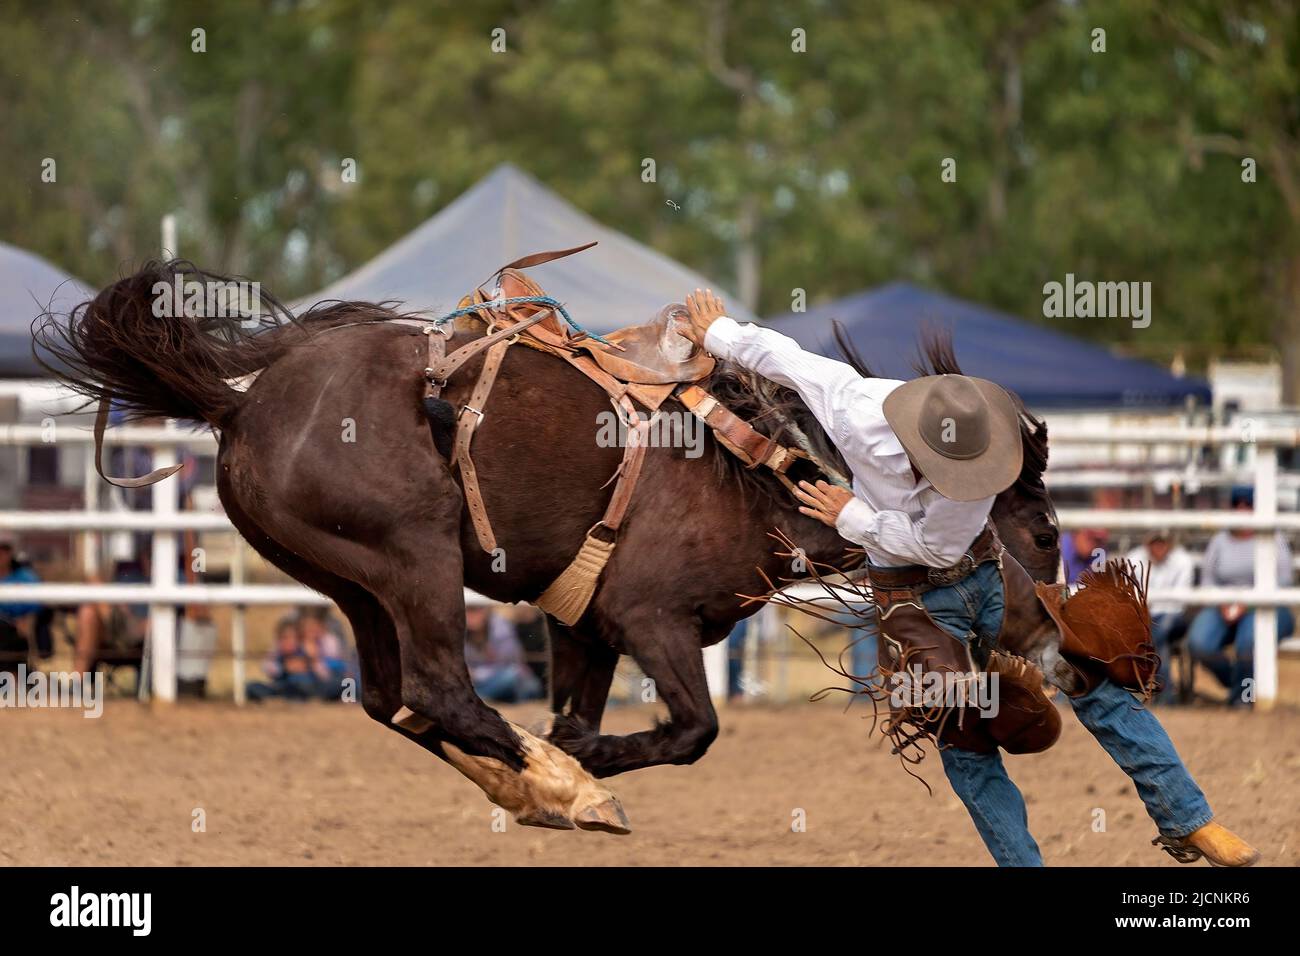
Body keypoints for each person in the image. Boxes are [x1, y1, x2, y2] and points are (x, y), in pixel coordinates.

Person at [678, 288, 1258, 867]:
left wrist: (850, 516)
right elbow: (783, 355)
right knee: (963, 733)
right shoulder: (854, 405)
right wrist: (720, 335)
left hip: (980, 571)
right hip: (911, 600)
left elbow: (934, 543)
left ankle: (1191, 820)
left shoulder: (980, 463)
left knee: (1089, 677)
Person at [1187, 486, 1295, 706]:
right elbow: (1207, 578)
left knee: (1249, 644)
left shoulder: (1273, 536)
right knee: (1199, 643)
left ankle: (1243, 699)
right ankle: (1237, 683)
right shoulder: (1220, 540)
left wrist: (1249, 603)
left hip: (1265, 604)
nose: (1242, 509)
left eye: (1248, 505)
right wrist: (1222, 602)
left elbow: (1284, 578)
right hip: (1223, 604)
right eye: (1238, 504)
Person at [1125, 530, 1194, 705]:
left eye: (1163, 542)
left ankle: (1141, 688)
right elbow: (1128, 597)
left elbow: (1179, 604)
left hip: (1172, 617)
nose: (1159, 547)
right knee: (1156, 635)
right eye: (1155, 542)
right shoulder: (1133, 558)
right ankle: (1165, 694)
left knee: (1157, 631)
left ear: (1170, 544)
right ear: (1147, 544)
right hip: (1141, 617)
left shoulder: (1183, 561)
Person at [465, 605, 542, 703]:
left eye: (475, 610)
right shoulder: (459, 633)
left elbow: (511, 663)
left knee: (513, 676)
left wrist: (477, 674)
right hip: (482, 683)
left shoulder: (501, 629)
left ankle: (478, 697)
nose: (470, 615)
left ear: (485, 610)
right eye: (466, 610)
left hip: (510, 678)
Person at [0, 533, 41, 673]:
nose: (1, 554)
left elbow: (37, 606)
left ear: (10, 552)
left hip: (16, 630)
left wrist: (28, 619)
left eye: (4, 549)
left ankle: (15, 676)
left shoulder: (26, 577)